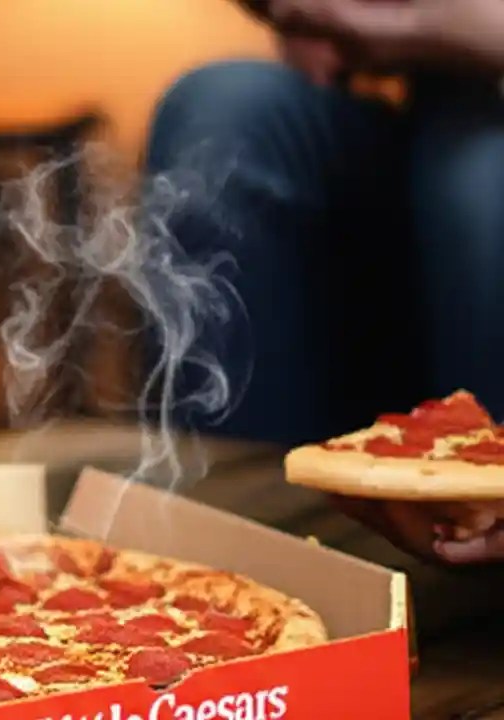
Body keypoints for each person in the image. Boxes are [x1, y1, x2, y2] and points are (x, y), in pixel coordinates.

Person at [144, 0, 504, 563]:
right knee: (223, 114)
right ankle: (232, 571)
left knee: (479, 180)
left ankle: (480, 507)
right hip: (411, 90)